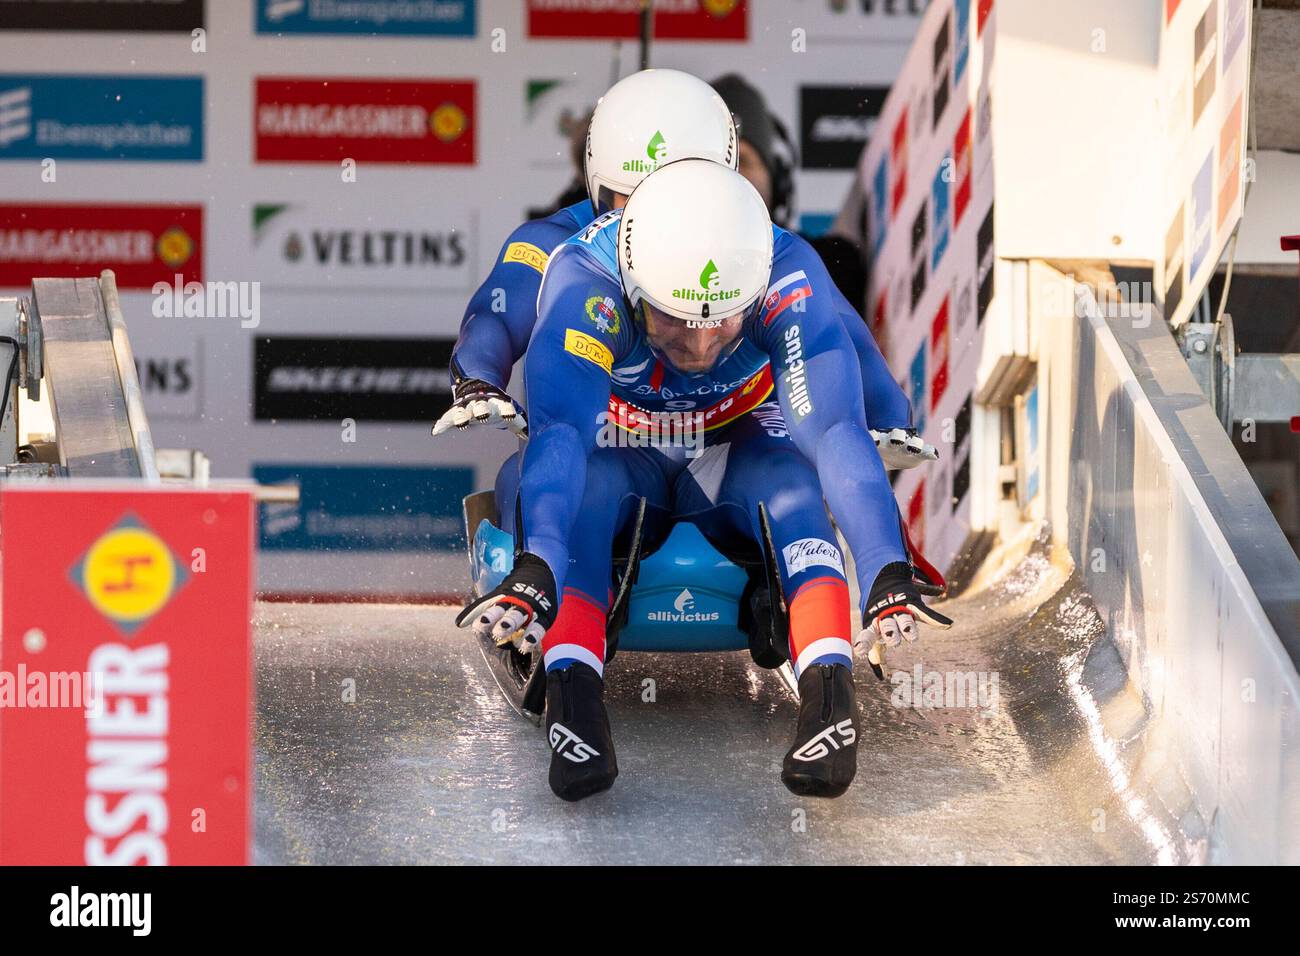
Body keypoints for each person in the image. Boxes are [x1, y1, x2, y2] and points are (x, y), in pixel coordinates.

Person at [456, 160, 953, 802]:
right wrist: (539, 563)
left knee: (797, 488)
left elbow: (832, 429)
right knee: (581, 500)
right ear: (634, 288)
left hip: (738, 443)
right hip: (619, 448)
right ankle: (576, 705)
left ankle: (831, 698)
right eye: (673, 320)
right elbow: (561, 438)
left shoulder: (788, 271)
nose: (697, 345)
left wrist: (885, 567)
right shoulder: (584, 282)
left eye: (721, 321)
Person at [433, 68, 931, 469]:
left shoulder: (769, 252)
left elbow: (839, 330)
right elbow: (497, 314)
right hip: (612, 453)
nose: (658, 209)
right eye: (632, 195)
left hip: (738, 448)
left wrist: (888, 415)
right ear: (596, 184)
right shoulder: (556, 245)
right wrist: (479, 378)